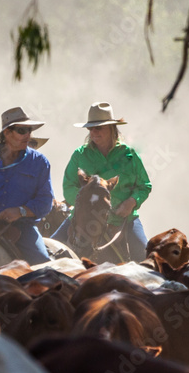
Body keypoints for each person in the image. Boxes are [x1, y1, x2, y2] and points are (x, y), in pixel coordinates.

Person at [51, 102, 152, 261]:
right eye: (90, 128)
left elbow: (144, 186)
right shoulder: (80, 154)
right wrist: (86, 203)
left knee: (145, 258)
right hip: (82, 219)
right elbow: (68, 186)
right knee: (48, 253)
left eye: (98, 128)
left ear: (112, 128)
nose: (93, 132)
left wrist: (131, 202)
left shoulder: (129, 155)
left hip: (123, 219)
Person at [0, 107, 54, 264]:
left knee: (42, 265)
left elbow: (45, 201)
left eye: (29, 130)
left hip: (23, 228)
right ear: (7, 133)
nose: (28, 135)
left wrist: (21, 211)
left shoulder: (39, 162)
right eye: (22, 130)